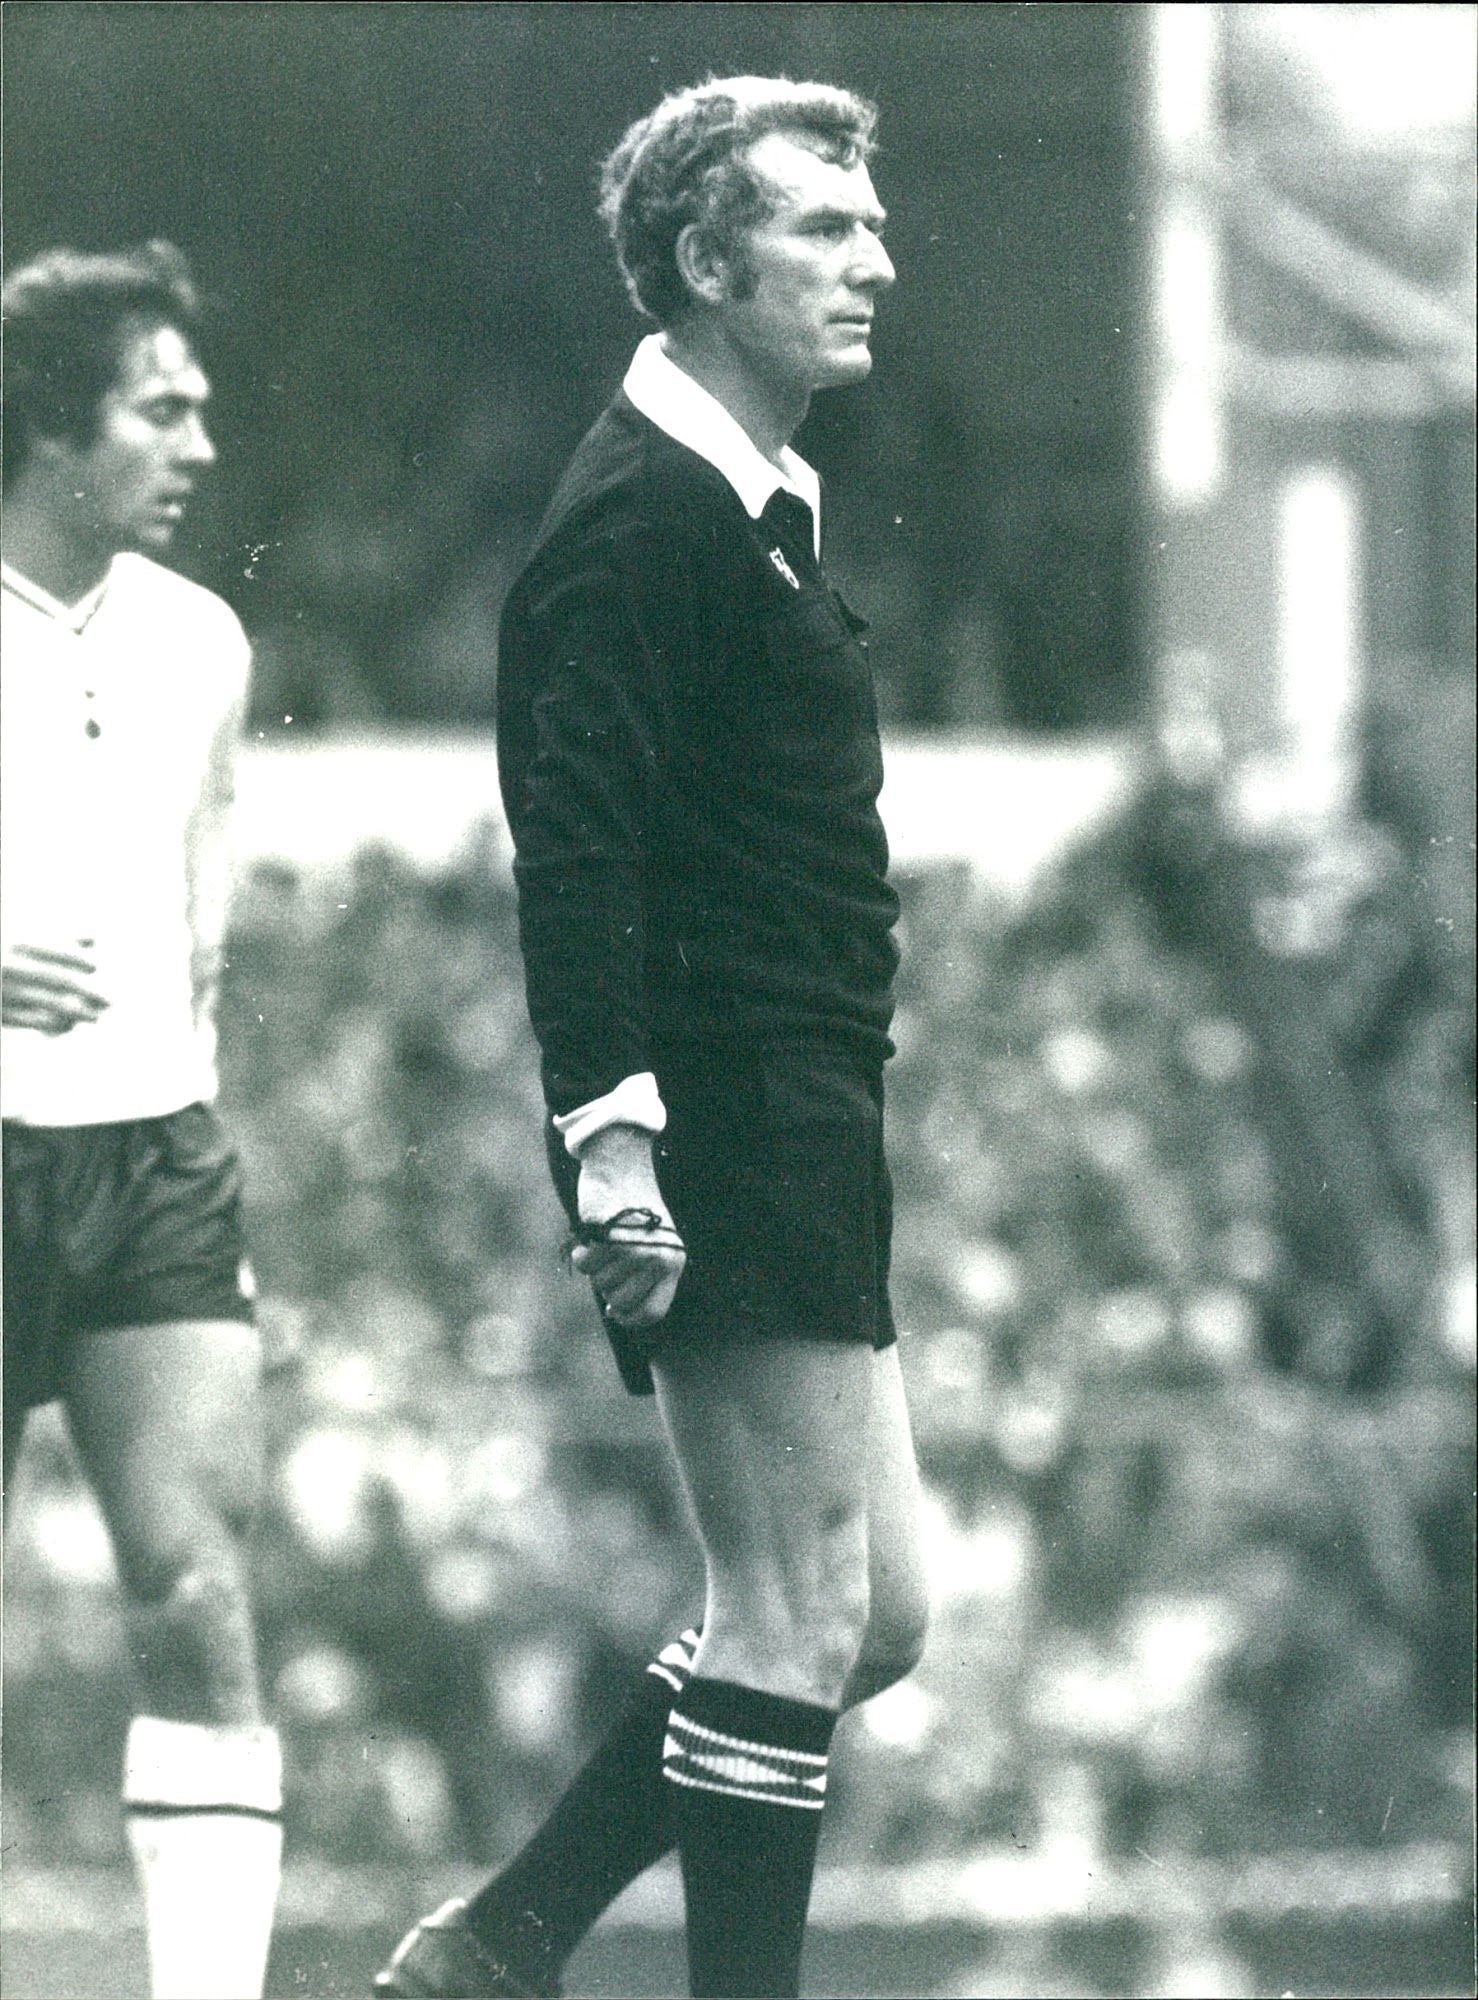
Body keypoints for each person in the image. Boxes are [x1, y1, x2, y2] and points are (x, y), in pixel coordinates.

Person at [376, 76, 928, 2000]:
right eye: (822, 230)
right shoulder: (635, 515)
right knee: (794, 1611)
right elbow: (574, 852)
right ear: (704, 262)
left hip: (806, 1102)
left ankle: (500, 1939)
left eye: (868, 224)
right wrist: (612, 1146)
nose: (875, 259)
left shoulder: (751, 497)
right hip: (725, 1114)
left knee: (877, 1618)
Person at [1, 242, 281, 2000]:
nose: (197, 442)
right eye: (159, 409)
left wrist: (183, 1085)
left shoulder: (200, 640)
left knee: (196, 1594)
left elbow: (205, 901)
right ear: (48, 425)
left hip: (152, 1153)